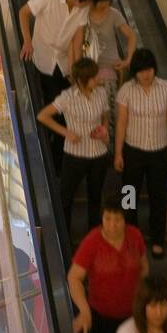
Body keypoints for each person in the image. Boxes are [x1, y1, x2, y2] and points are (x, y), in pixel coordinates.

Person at [69, 192, 148, 333]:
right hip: (102, 319)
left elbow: (144, 268)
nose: (112, 225)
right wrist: (84, 310)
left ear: (125, 220)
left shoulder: (135, 237)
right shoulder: (92, 242)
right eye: (107, 219)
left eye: (117, 219)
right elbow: (74, 277)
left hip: (132, 317)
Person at [19, 0, 95, 170]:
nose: (87, 6)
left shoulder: (82, 9)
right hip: (43, 59)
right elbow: (23, 12)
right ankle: (49, 152)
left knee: (64, 107)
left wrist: (75, 70)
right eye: (86, 2)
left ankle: (57, 153)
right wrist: (27, 41)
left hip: (64, 62)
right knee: (52, 103)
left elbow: (77, 39)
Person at [113, 48, 167, 258]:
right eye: (141, 71)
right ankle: (130, 237)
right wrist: (118, 153)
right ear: (135, 72)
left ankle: (157, 240)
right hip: (133, 150)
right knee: (129, 194)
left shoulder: (166, 88)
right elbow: (121, 123)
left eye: (149, 69)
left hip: (159, 151)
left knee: (158, 195)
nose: (146, 74)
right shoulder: (126, 91)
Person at [37, 57, 110, 235]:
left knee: (95, 198)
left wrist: (104, 129)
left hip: (99, 154)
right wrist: (66, 133)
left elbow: (105, 115)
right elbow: (43, 116)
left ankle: (94, 237)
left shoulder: (101, 93)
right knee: (65, 199)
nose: (97, 79)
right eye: (93, 77)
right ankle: (64, 237)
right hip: (74, 155)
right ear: (82, 80)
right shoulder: (67, 97)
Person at [71, 0, 136, 107]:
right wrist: (77, 67)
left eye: (108, 0)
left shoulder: (113, 14)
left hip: (109, 67)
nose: (106, 4)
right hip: (89, 69)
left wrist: (128, 59)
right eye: (102, 1)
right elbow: (77, 42)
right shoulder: (84, 14)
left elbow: (131, 36)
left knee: (108, 108)